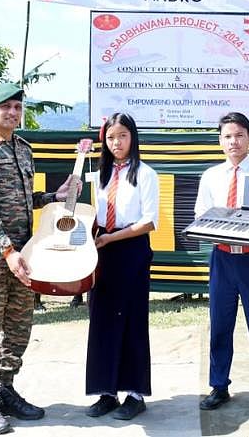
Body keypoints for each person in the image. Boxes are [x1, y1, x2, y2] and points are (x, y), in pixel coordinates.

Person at [0, 82, 76, 435]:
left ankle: (6, 390)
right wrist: (7, 251)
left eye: (17, 106)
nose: (12, 113)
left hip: (26, 255)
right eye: (5, 107)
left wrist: (52, 196)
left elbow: (24, 202)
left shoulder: (24, 149)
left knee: (18, 327)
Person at [194, 112, 249, 417]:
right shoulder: (211, 176)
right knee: (220, 325)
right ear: (220, 141)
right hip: (222, 259)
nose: (233, 141)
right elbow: (202, 217)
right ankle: (219, 386)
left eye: (239, 135)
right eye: (227, 136)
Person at [85, 112, 159, 421]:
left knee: (131, 320)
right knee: (101, 319)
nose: (117, 142)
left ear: (133, 137)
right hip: (100, 249)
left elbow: (148, 222)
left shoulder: (145, 173)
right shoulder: (99, 174)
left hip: (130, 249)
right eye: (111, 137)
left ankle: (135, 394)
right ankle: (106, 392)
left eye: (123, 136)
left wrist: (113, 238)